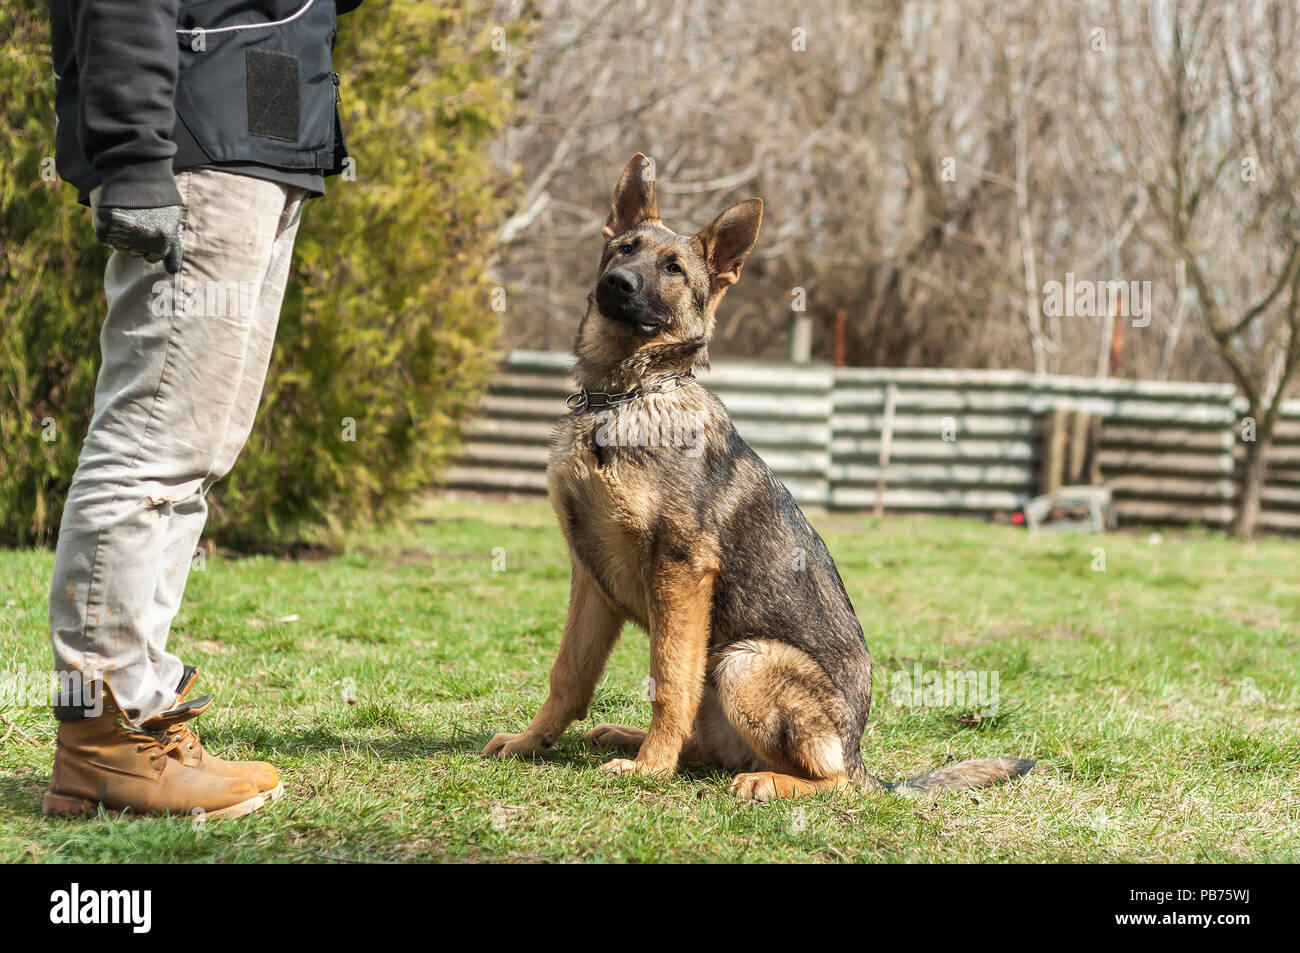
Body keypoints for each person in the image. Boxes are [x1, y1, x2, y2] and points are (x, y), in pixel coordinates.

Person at [43, 0, 363, 820]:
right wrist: (131, 155)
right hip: (196, 137)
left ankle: (141, 708)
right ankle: (99, 733)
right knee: (154, 440)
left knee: (196, 452)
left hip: (264, 135)